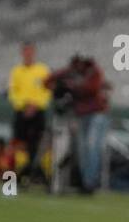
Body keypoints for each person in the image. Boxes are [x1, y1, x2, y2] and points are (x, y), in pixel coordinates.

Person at [45, 55, 111, 194]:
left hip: (95, 114)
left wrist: (72, 85)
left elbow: (90, 88)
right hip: (79, 115)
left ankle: (89, 182)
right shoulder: (72, 72)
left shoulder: (94, 72)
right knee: (81, 150)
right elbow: (48, 80)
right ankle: (83, 182)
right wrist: (63, 82)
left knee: (91, 147)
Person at [7, 42, 51, 184]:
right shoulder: (16, 71)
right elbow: (13, 92)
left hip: (38, 113)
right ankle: (17, 176)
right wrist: (25, 104)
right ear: (22, 53)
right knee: (18, 145)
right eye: (26, 51)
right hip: (21, 112)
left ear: (34, 52)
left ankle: (31, 174)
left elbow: (47, 92)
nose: (28, 54)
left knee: (36, 145)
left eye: (30, 51)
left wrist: (35, 105)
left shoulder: (43, 70)